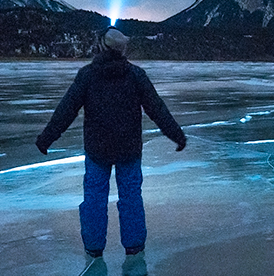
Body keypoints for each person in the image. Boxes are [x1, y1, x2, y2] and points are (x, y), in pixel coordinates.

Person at [35, 27, 186, 256]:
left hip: (97, 150)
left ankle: (94, 248)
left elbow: (66, 110)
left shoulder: (88, 75)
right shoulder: (136, 75)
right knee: (131, 198)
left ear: (101, 46)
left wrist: (46, 139)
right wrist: (177, 135)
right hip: (129, 150)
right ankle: (134, 246)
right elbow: (157, 109)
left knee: (94, 199)